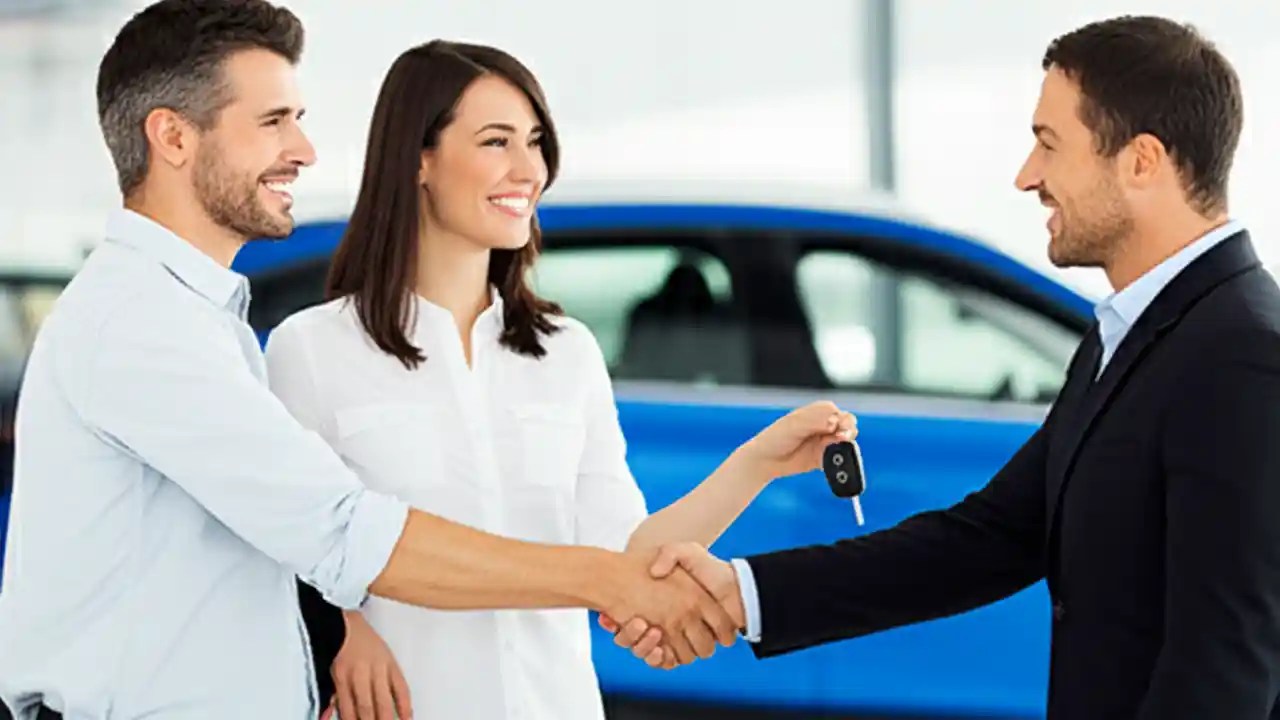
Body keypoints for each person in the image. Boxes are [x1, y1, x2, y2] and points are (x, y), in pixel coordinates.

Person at [0, 3, 854, 718]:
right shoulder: (151, 326)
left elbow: (283, 551)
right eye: (273, 121)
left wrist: (734, 483)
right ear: (172, 138)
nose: (302, 150)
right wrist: (348, 626)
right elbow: (336, 535)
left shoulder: (202, 321)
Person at [609, 14, 1280, 720]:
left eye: (1049, 145)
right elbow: (987, 539)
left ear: (1142, 161)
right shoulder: (1131, 333)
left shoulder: (1241, 355)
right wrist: (743, 594)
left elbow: (1225, 666)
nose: (1029, 178)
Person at [263, 39, 856, 720]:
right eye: (496, 142)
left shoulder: (565, 352)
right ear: (419, 159)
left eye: (537, 142)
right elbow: (282, 558)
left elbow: (625, 558)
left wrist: (756, 465)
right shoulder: (311, 350)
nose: (529, 170)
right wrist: (341, 628)